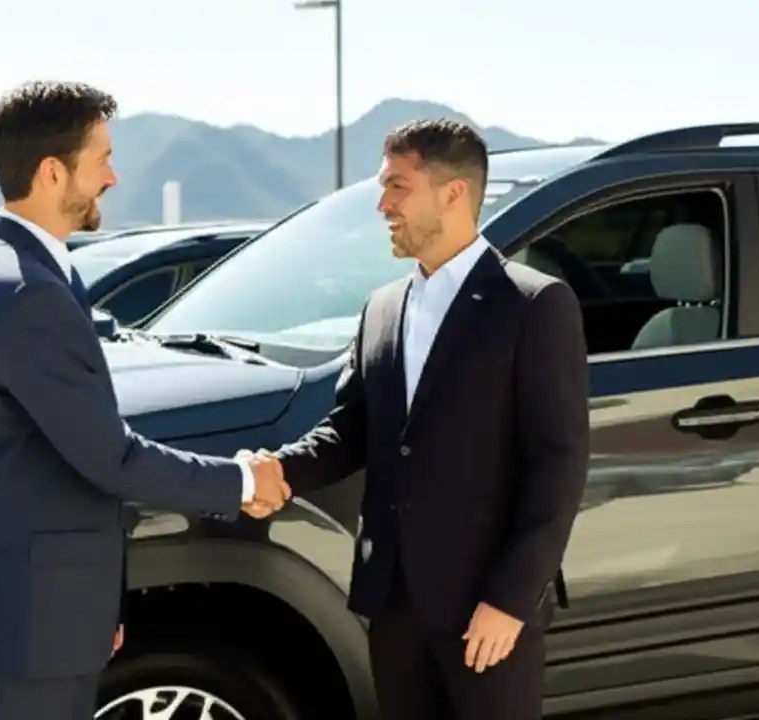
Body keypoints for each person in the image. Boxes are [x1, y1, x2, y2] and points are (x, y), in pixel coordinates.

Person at [0, 80, 289, 720]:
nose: (113, 177)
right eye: (101, 159)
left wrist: (95, 606)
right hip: (24, 635)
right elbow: (109, 459)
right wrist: (241, 482)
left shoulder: (17, 267)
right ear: (50, 172)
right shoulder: (24, 292)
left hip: (40, 618)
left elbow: (46, 462)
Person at [252, 119, 589, 719]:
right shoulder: (381, 309)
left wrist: (509, 601)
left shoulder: (534, 305)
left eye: (397, 188)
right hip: (393, 604)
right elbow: (351, 429)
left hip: (486, 610)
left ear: (452, 193)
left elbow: (558, 467)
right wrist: (278, 471)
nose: (382, 205)